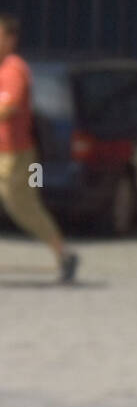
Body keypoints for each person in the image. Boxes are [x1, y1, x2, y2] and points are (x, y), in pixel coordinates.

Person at [0, 14, 78, 283]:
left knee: (23, 208)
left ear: (11, 39)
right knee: (25, 206)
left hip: (16, 156)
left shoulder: (14, 69)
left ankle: (64, 255)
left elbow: (8, 108)